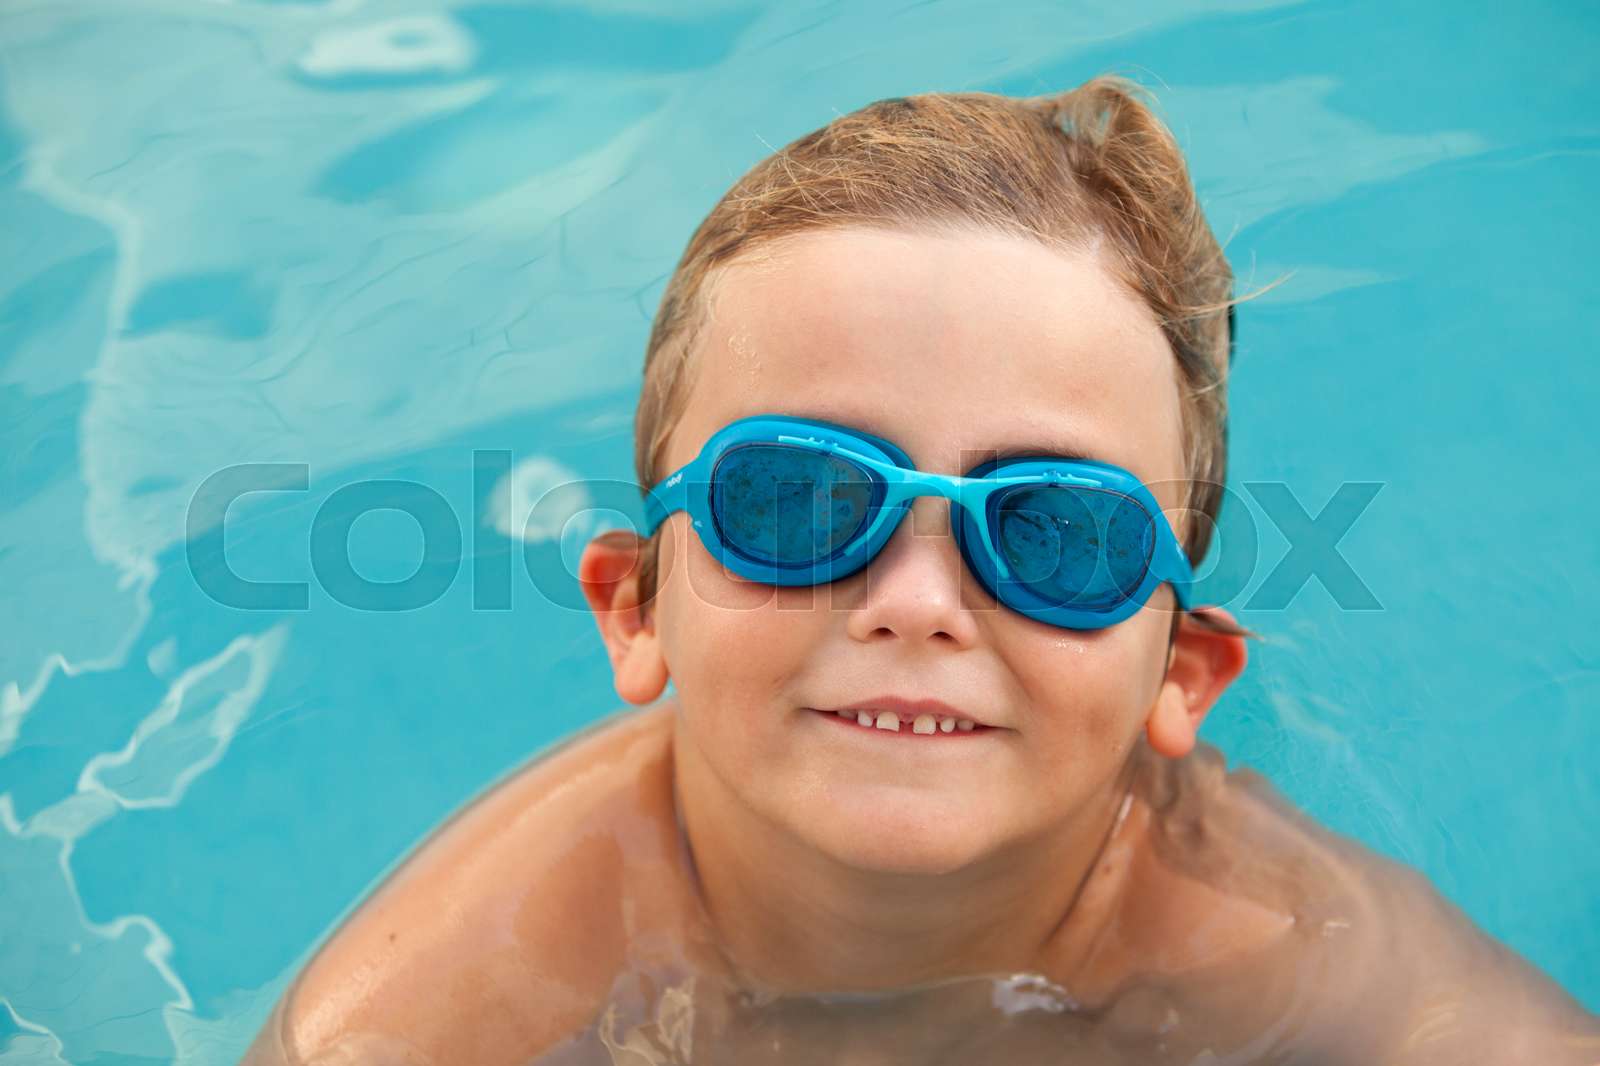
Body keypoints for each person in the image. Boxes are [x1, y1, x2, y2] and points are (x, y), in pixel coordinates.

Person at [241, 75, 1600, 1065]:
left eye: (1058, 530)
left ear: (1179, 675)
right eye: (796, 501)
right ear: (635, 606)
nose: (915, 600)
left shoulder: (1292, 953)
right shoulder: (448, 992)